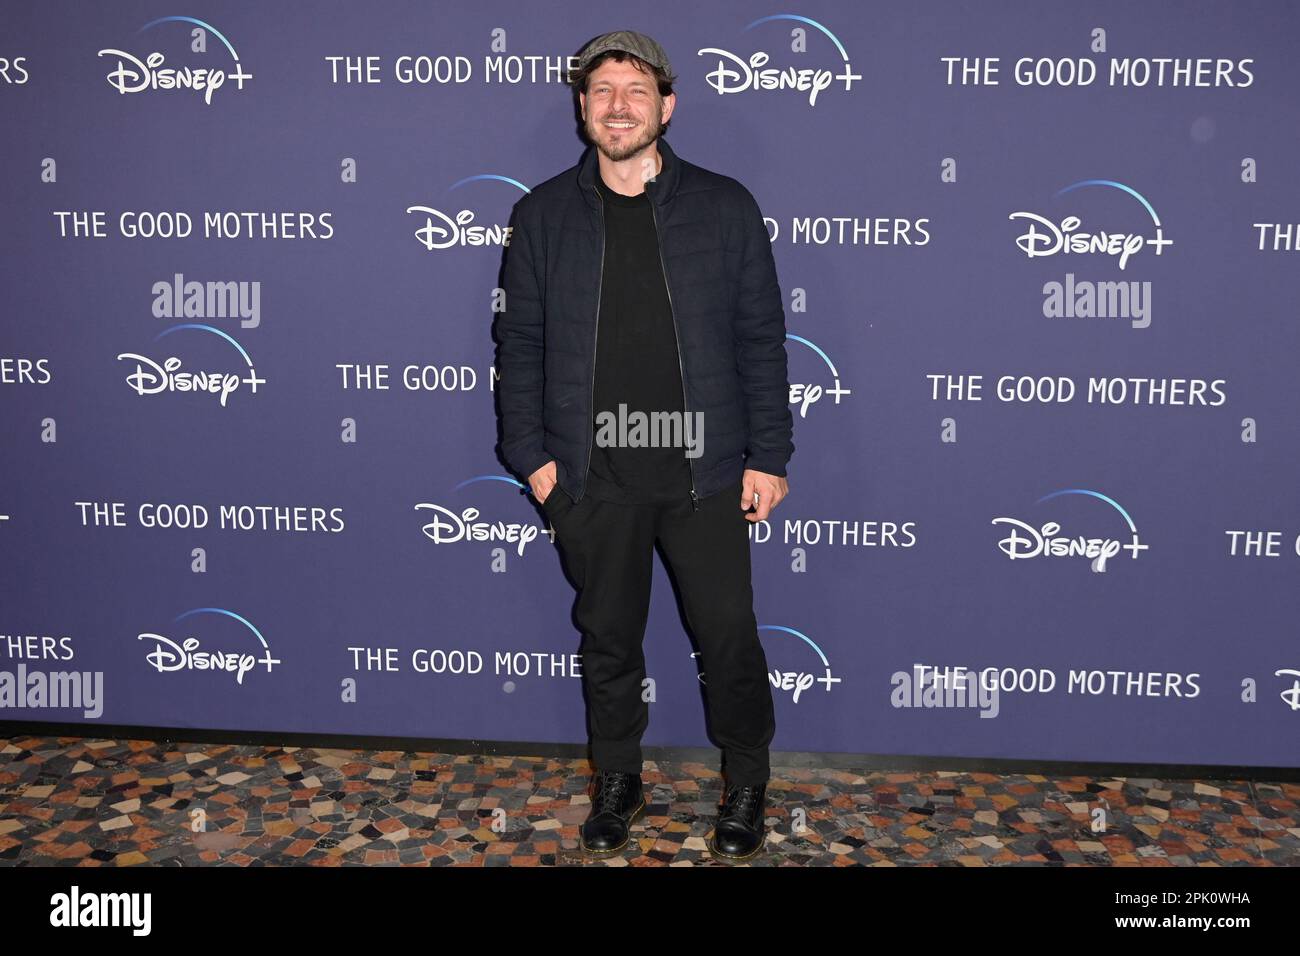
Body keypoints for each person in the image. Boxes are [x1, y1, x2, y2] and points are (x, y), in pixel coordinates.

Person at [493, 30, 794, 863]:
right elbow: (516, 347)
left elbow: (761, 340)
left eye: (634, 90)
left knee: (729, 636)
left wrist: (769, 456)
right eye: (601, 92)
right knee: (609, 641)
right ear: (582, 109)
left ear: (667, 105)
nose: (617, 105)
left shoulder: (725, 206)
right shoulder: (542, 215)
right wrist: (533, 457)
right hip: (593, 478)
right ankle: (618, 779)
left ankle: (746, 783)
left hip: (705, 473)